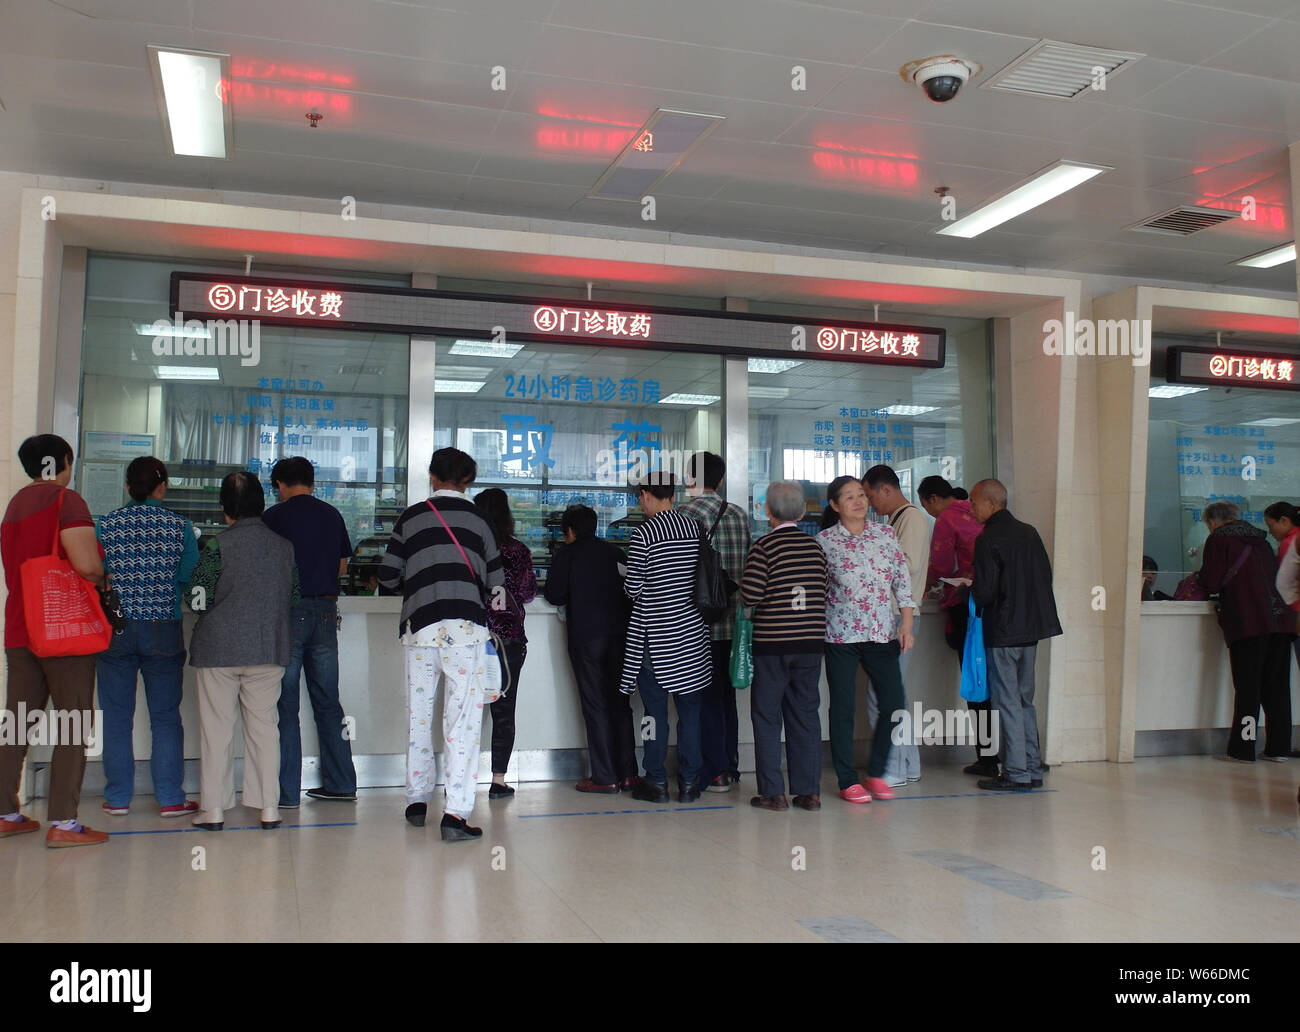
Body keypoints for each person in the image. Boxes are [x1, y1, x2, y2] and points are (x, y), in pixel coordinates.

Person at [379, 448, 504, 841]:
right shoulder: (481, 520)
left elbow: (387, 577)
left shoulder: (411, 518)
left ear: (432, 476)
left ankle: (416, 801)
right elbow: (496, 583)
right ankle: (455, 814)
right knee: (462, 722)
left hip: (421, 628)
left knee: (419, 715)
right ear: (466, 481)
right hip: (465, 631)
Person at [0, 435, 109, 848]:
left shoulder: (14, 504)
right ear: (65, 461)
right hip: (62, 629)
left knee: (17, 721)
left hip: (20, 626)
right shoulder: (67, 501)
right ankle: (63, 823)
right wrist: (102, 574)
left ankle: (6, 812)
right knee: (73, 722)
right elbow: (84, 563)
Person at [188, 472, 298, 830]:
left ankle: (215, 812)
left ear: (224, 508)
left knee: (217, 730)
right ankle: (269, 808)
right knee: (265, 728)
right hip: (268, 647)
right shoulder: (284, 547)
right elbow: (292, 597)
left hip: (218, 649)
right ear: (262, 504)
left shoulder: (216, 546)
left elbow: (197, 598)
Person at [95, 457, 200, 819]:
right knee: (166, 716)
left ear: (127, 487)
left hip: (116, 627)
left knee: (116, 715)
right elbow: (189, 577)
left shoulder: (106, 525)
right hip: (162, 626)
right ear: (162, 487)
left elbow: (96, 574)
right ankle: (171, 797)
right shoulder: (179, 527)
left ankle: (118, 797)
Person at [262, 456, 357, 807]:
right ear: (312, 483)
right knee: (328, 702)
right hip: (325, 613)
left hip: (287, 614)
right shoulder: (331, 515)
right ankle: (342, 782)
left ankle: (287, 792)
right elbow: (342, 566)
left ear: (280, 485)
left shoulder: (274, 517)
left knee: (285, 705)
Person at [817, 475, 916, 804]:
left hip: (881, 632)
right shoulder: (824, 542)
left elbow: (902, 581)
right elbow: (817, 592)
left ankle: (876, 773)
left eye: (862, 494)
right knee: (843, 708)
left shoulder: (885, 535)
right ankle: (847, 780)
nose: (859, 501)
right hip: (840, 635)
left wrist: (906, 625)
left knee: (893, 702)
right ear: (834, 505)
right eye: (849, 497)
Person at [619, 473, 711, 803]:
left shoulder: (644, 534)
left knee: (652, 715)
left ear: (646, 495)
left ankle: (656, 780)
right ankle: (689, 783)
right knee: (690, 715)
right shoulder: (694, 528)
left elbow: (633, 589)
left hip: (654, 639)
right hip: (690, 635)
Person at [970, 479, 1062, 791]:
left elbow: (984, 592)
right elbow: (1044, 577)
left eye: (974, 503)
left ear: (990, 503)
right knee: (1025, 700)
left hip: (1004, 632)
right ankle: (1032, 768)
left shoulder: (988, 538)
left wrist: (968, 588)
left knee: (1007, 701)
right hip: (1032, 631)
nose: (972, 509)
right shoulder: (1029, 532)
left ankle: (1016, 774)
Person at [742, 481, 827, 812]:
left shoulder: (764, 548)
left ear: (766, 511)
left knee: (767, 716)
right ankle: (809, 792)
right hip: (809, 644)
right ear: (803, 512)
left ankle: (773, 793)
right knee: (805, 714)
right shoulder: (815, 547)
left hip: (773, 645)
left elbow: (750, 596)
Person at [544, 505, 638, 793]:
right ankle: (629, 773)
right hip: (620, 637)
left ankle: (605, 776)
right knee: (620, 703)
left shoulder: (567, 555)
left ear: (569, 531)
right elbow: (630, 590)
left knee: (595, 705)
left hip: (587, 638)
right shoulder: (615, 554)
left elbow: (553, 594)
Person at [1198, 501, 1293, 762]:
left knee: (1248, 688)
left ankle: (1244, 747)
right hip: (1281, 622)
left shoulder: (1219, 540)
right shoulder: (1261, 540)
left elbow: (1211, 580)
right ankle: (1279, 748)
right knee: (1277, 687)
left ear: (1214, 522)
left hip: (1249, 621)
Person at [679, 451, 750, 792]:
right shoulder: (738, 515)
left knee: (700, 698)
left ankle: (713, 770)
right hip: (731, 623)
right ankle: (730, 766)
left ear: (689, 480)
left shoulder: (680, 516)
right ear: (720, 480)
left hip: (694, 624)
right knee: (725, 698)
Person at [918, 475, 995, 774]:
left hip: (966, 607)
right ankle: (1011, 754)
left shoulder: (948, 518)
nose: (929, 512)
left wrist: (920, 591)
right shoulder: (974, 511)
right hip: (992, 607)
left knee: (977, 684)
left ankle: (988, 758)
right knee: (999, 685)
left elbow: (939, 565)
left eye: (926, 505)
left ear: (933, 499)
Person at [863, 464, 930, 787]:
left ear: (886, 490)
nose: (869, 504)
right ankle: (907, 764)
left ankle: (892, 767)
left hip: (897, 616)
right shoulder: (895, 520)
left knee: (883, 695)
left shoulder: (912, 518)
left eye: (870, 496)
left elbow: (908, 564)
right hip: (891, 615)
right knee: (893, 694)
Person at [472, 487, 537, 798]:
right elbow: (528, 593)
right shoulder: (518, 551)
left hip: (471, 638)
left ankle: (461, 776)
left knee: (465, 709)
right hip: (509, 639)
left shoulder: (470, 549)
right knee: (504, 710)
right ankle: (498, 780)